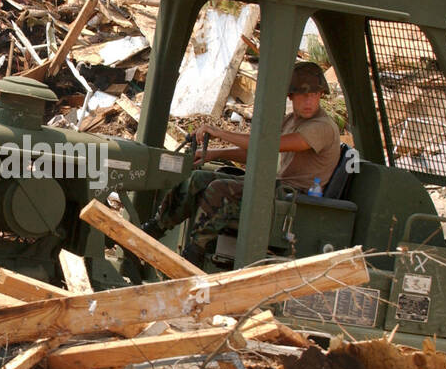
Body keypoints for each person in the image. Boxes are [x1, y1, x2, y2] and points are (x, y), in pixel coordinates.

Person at [143, 61, 340, 262]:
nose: (309, 101)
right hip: (275, 192)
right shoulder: (291, 120)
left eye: (314, 95)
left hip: (293, 201)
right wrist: (215, 153)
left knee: (219, 189)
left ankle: (194, 254)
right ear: (291, 96)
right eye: (303, 95)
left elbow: (271, 145)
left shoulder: (322, 127)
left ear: (321, 95)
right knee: (198, 178)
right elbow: (259, 153)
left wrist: (219, 133)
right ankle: (152, 232)